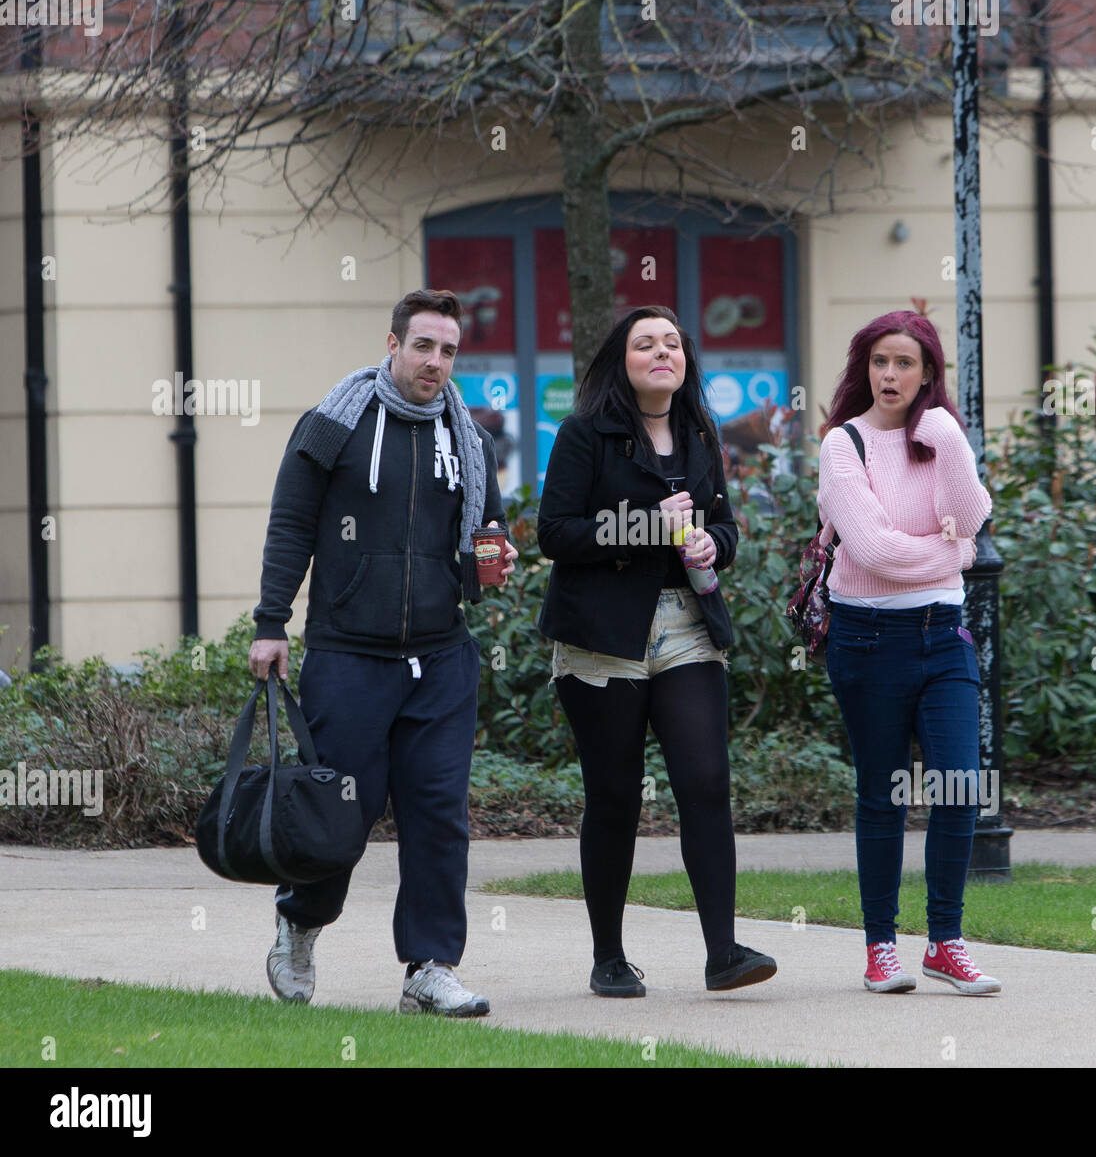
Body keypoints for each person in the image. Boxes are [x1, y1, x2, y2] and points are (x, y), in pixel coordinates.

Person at [248, 288, 518, 1016]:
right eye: (424, 345)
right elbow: (291, 524)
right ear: (392, 343)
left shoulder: (469, 440)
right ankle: (300, 924)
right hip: (347, 656)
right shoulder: (332, 424)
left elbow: (482, 542)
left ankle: (430, 966)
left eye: (449, 350)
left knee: (438, 813)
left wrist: (493, 559)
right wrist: (271, 622)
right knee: (340, 810)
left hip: (440, 659)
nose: (436, 362)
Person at [536, 305, 776, 997]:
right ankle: (609, 957)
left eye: (672, 342)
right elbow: (556, 530)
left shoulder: (700, 432)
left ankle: (723, 952)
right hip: (604, 636)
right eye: (646, 343)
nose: (662, 351)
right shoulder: (587, 433)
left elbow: (725, 525)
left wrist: (711, 544)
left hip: (686, 624)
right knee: (613, 797)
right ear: (623, 360)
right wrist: (646, 528)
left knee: (704, 781)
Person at [817, 309, 1001, 996]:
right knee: (882, 795)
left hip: (944, 635)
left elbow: (973, 517)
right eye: (879, 362)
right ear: (864, 368)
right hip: (867, 637)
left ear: (927, 374)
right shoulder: (844, 445)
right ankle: (880, 947)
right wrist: (948, 550)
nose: (889, 375)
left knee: (958, 785)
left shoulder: (940, 436)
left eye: (904, 363)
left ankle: (945, 943)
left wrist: (948, 436)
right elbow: (872, 550)